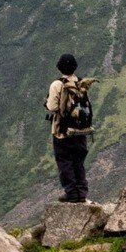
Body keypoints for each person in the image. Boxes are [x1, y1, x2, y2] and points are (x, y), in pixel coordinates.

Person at [45, 53, 97, 203]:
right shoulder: (81, 82)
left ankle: (71, 193)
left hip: (62, 131)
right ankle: (81, 192)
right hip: (80, 131)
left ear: (60, 67)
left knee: (65, 161)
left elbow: (52, 106)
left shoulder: (57, 84)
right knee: (78, 161)